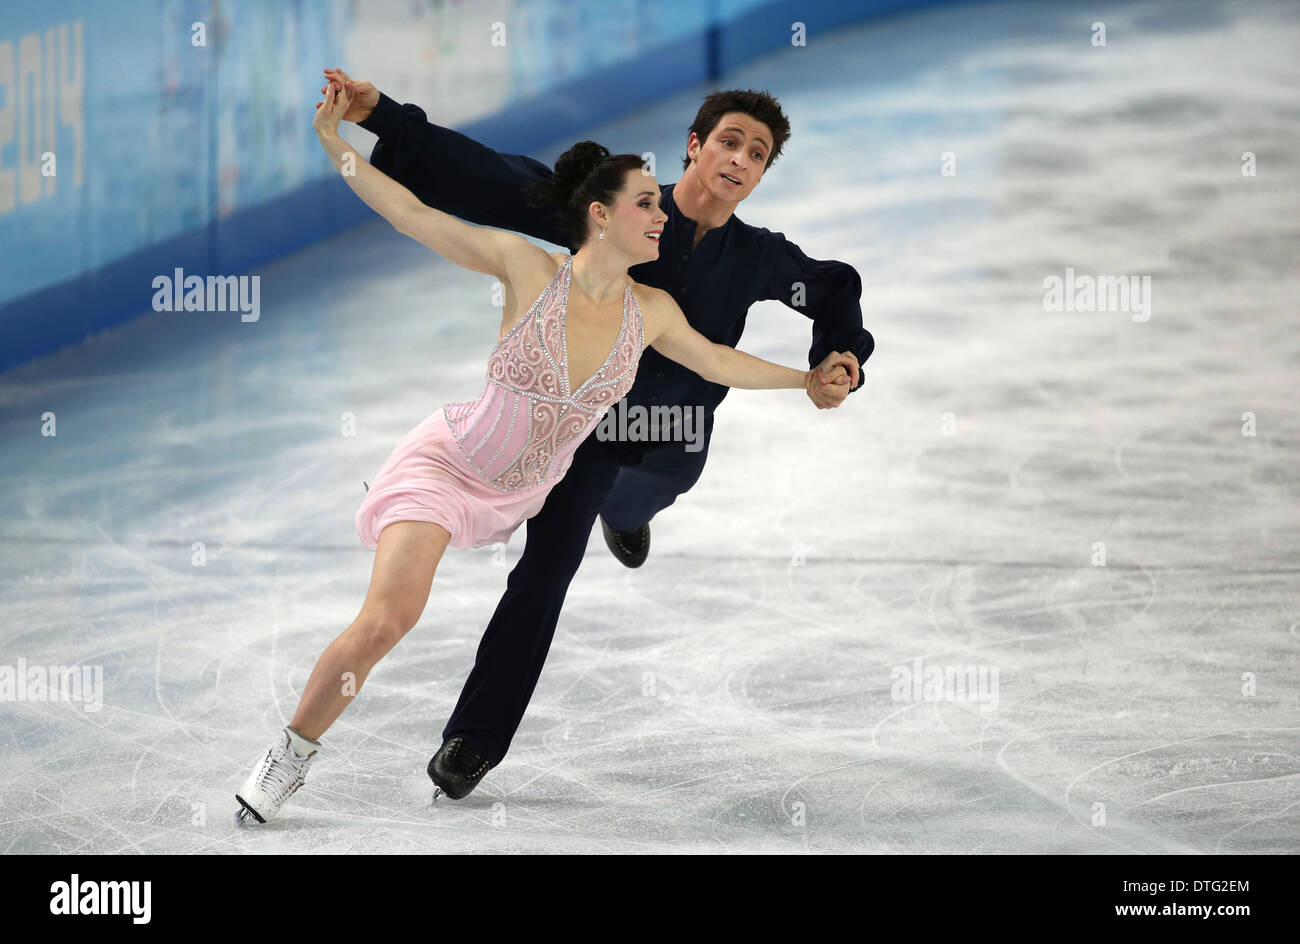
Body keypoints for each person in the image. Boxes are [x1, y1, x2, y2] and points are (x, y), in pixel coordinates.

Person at [234, 80, 854, 825]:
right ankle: (458, 741)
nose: (740, 159)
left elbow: (798, 309)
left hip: (660, 440)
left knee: (645, 492)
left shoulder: (736, 268)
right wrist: (365, 125)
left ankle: (627, 516)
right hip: (544, 445)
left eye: (757, 153)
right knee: (522, 578)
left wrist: (826, 365)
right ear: (692, 147)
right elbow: (465, 186)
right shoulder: (586, 228)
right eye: (728, 140)